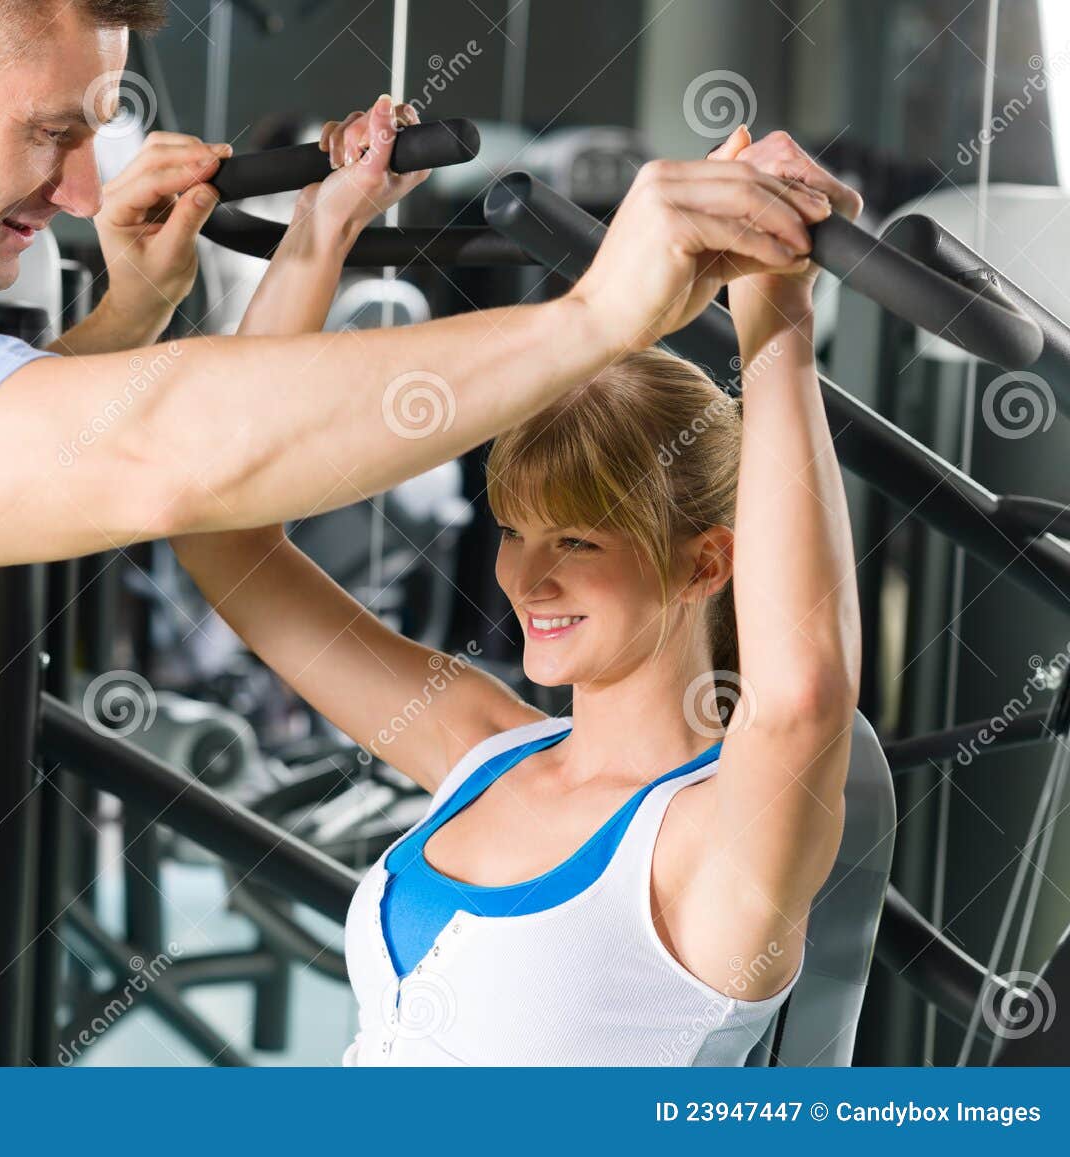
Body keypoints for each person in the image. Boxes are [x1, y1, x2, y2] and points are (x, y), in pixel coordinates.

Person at [0, 0, 834, 1068]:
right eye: (51, 133)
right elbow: (153, 465)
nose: (75, 189)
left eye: (94, 138)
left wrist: (201, 286)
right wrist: (595, 317)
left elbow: (21, 457)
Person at [171, 121, 863, 1065]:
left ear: (707, 563)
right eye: (515, 530)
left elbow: (801, 696)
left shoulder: (707, 844)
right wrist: (319, 233)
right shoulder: (481, 748)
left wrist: (774, 314)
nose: (526, 578)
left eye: (578, 539)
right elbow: (224, 540)